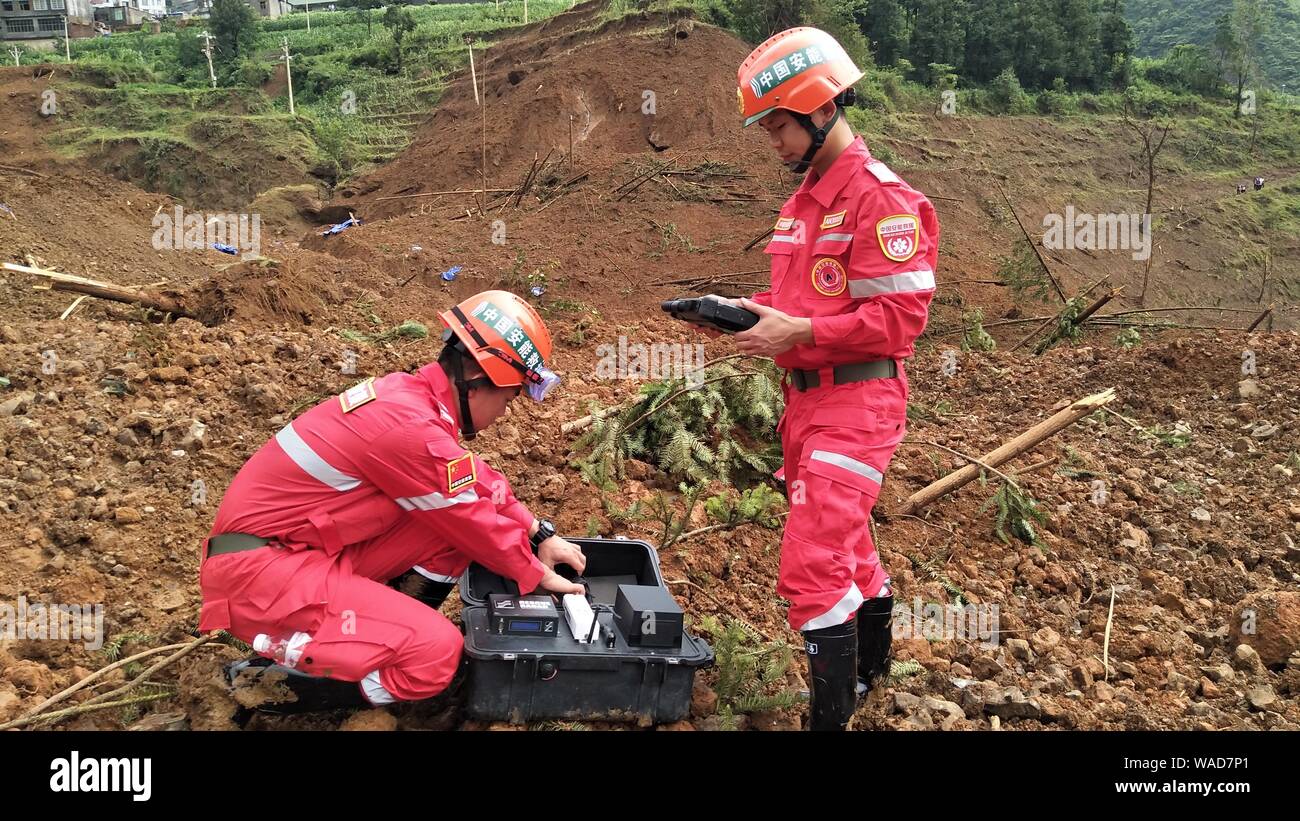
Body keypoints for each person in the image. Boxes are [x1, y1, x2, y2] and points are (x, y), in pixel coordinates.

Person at [198, 290, 586, 714]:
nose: (505, 413)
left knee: (443, 535)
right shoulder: (407, 428)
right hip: (260, 579)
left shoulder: (412, 400)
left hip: (295, 554)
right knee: (438, 655)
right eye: (509, 399)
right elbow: (470, 518)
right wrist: (536, 574)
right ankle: (259, 686)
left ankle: (380, 632)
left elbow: (472, 481)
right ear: (477, 377)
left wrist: (537, 531)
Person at [725, 27, 939, 730]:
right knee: (846, 549)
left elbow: (899, 321)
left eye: (779, 125)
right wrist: (754, 320)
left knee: (813, 565)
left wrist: (804, 333)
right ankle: (874, 678)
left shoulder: (881, 200)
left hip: (858, 402)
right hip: (808, 404)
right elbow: (801, 310)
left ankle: (832, 720)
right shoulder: (801, 205)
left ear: (821, 107)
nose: (773, 142)